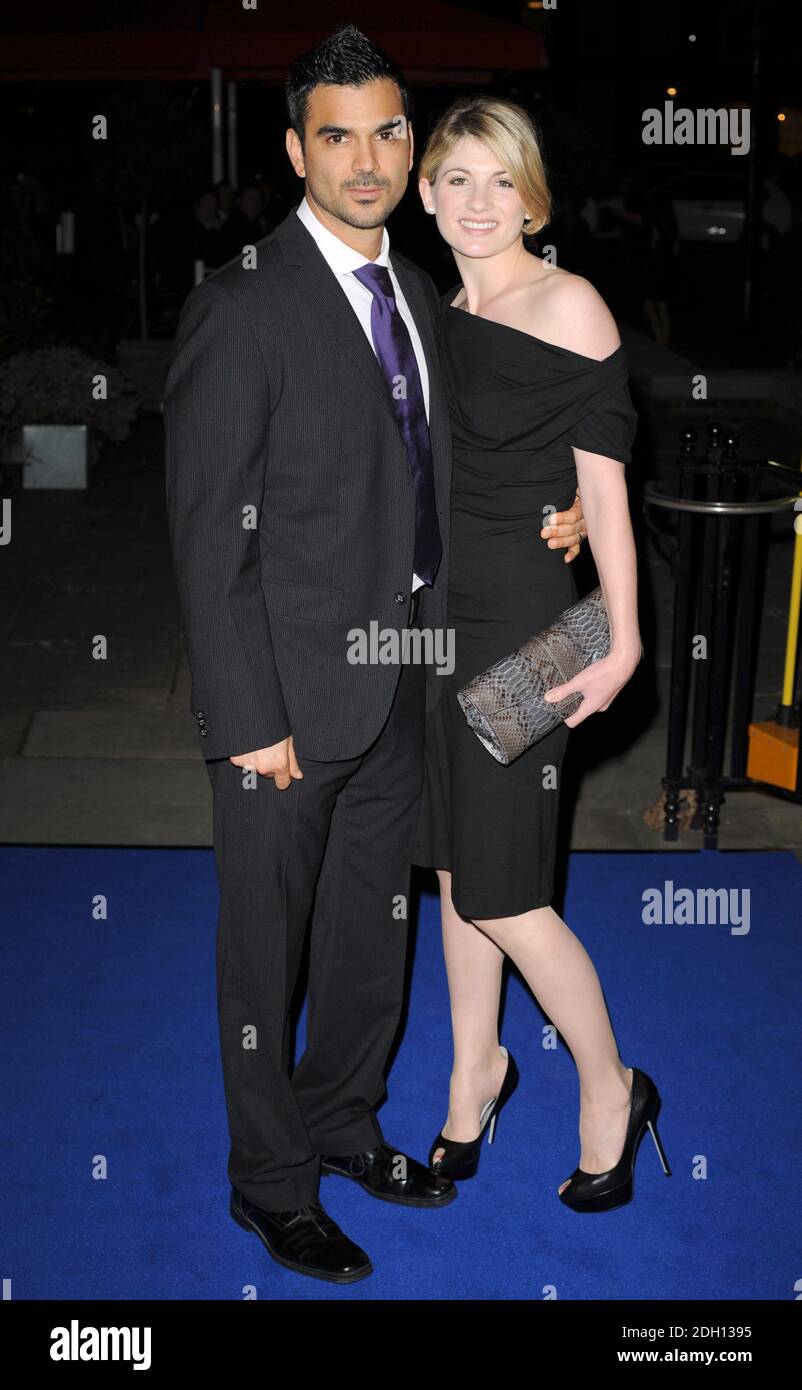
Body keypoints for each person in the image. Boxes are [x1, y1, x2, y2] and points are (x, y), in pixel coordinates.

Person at [164, 25, 587, 1286]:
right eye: (336, 136)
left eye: (388, 132)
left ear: (411, 144)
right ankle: (269, 1181)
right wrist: (247, 713)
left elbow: (477, 452)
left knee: (371, 928)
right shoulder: (241, 304)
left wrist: (564, 505)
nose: (366, 160)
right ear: (296, 152)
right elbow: (207, 533)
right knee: (266, 947)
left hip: (411, 674)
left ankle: (343, 1123)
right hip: (285, 700)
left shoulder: (425, 291)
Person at [413, 95, 671, 1211]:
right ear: (426, 193)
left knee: (509, 892)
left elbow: (607, 492)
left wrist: (623, 636)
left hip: (525, 626)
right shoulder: (432, 310)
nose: (478, 202)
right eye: (456, 179)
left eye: (499, 180)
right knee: (455, 867)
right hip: (432, 621)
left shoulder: (570, 303)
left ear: (533, 197)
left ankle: (611, 1088)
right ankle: (474, 1073)